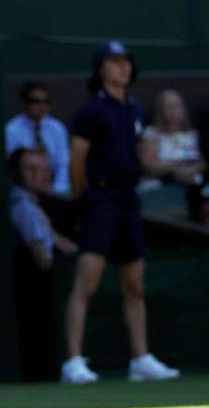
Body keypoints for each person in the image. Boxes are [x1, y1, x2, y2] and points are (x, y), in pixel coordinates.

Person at [61, 42, 180, 385]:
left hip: (129, 200)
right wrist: (83, 197)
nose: (123, 67)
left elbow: (142, 156)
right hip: (100, 200)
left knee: (134, 286)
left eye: (126, 61)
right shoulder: (90, 112)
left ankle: (140, 359)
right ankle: (73, 361)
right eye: (114, 62)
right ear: (101, 69)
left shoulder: (136, 110)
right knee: (87, 283)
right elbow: (77, 160)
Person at [8, 147, 77, 382]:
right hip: (33, 295)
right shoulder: (22, 205)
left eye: (46, 170)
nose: (41, 176)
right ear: (17, 173)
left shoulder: (35, 205)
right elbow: (42, 258)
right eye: (31, 169)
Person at [140, 89, 209, 223]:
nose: (173, 110)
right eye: (169, 106)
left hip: (192, 185)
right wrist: (176, 170)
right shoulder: (152, 134)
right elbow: (148, 164)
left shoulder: (193, 134)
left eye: (177, 105)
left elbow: (203, 162)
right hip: (161, 185)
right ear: (161, 110)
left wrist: (189, 170)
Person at [5, 81, 71, 195]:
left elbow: (63, 164)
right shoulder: (12, 130)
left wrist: (58, 191)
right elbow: (13, 168)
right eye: (36, 102)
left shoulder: (57, 128)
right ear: (25, 103)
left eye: (46, 102)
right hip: (23, 192)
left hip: (54, 190)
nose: (42, 106)